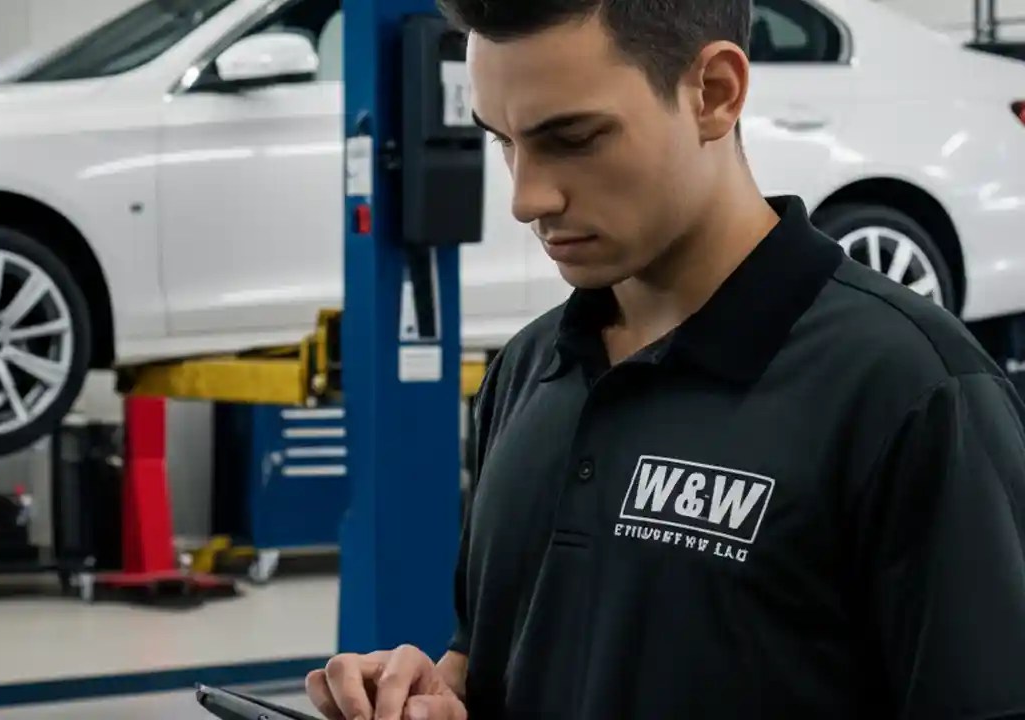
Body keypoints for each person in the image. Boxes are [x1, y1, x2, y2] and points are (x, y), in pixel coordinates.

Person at [307, 1, 1025, 718]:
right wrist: (437, 693)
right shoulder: (529, 372)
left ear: (714, 93)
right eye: (504, 142)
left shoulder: (913, 394)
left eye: (575, 138)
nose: (527, 198)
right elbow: (490, 658)